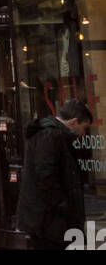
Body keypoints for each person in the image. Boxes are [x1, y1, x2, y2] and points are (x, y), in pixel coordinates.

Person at [17, 98, 92, 250]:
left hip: (47, 219)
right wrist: (63, 205)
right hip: (48, 221)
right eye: (84, 128)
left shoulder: (54, 135)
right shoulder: (50, 136)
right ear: (74, 122)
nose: (84, 134)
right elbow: (46, 176)